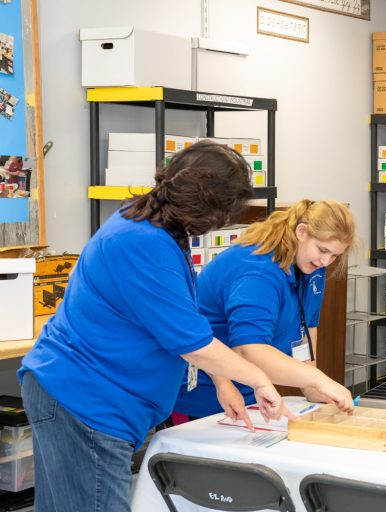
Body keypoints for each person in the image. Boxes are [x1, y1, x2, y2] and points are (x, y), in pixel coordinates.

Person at [18, 140, 291, 512]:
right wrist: (257, 378)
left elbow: (181, 318)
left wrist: (223, 379)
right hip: (86, 397)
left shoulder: (151, 224)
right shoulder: (143, 243)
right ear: (208, 206)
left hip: (89, 393)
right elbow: (191, 342)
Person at [173, 199, 356, 422]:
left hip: (250, 385)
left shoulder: (312, 266)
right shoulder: (258, 270)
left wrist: (312, 388)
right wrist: (317, 378)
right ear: (301, 232)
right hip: (203, 387)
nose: (326, 261)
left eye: (335, 255)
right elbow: (249, 349)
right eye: (323, 250)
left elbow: (307, 328)